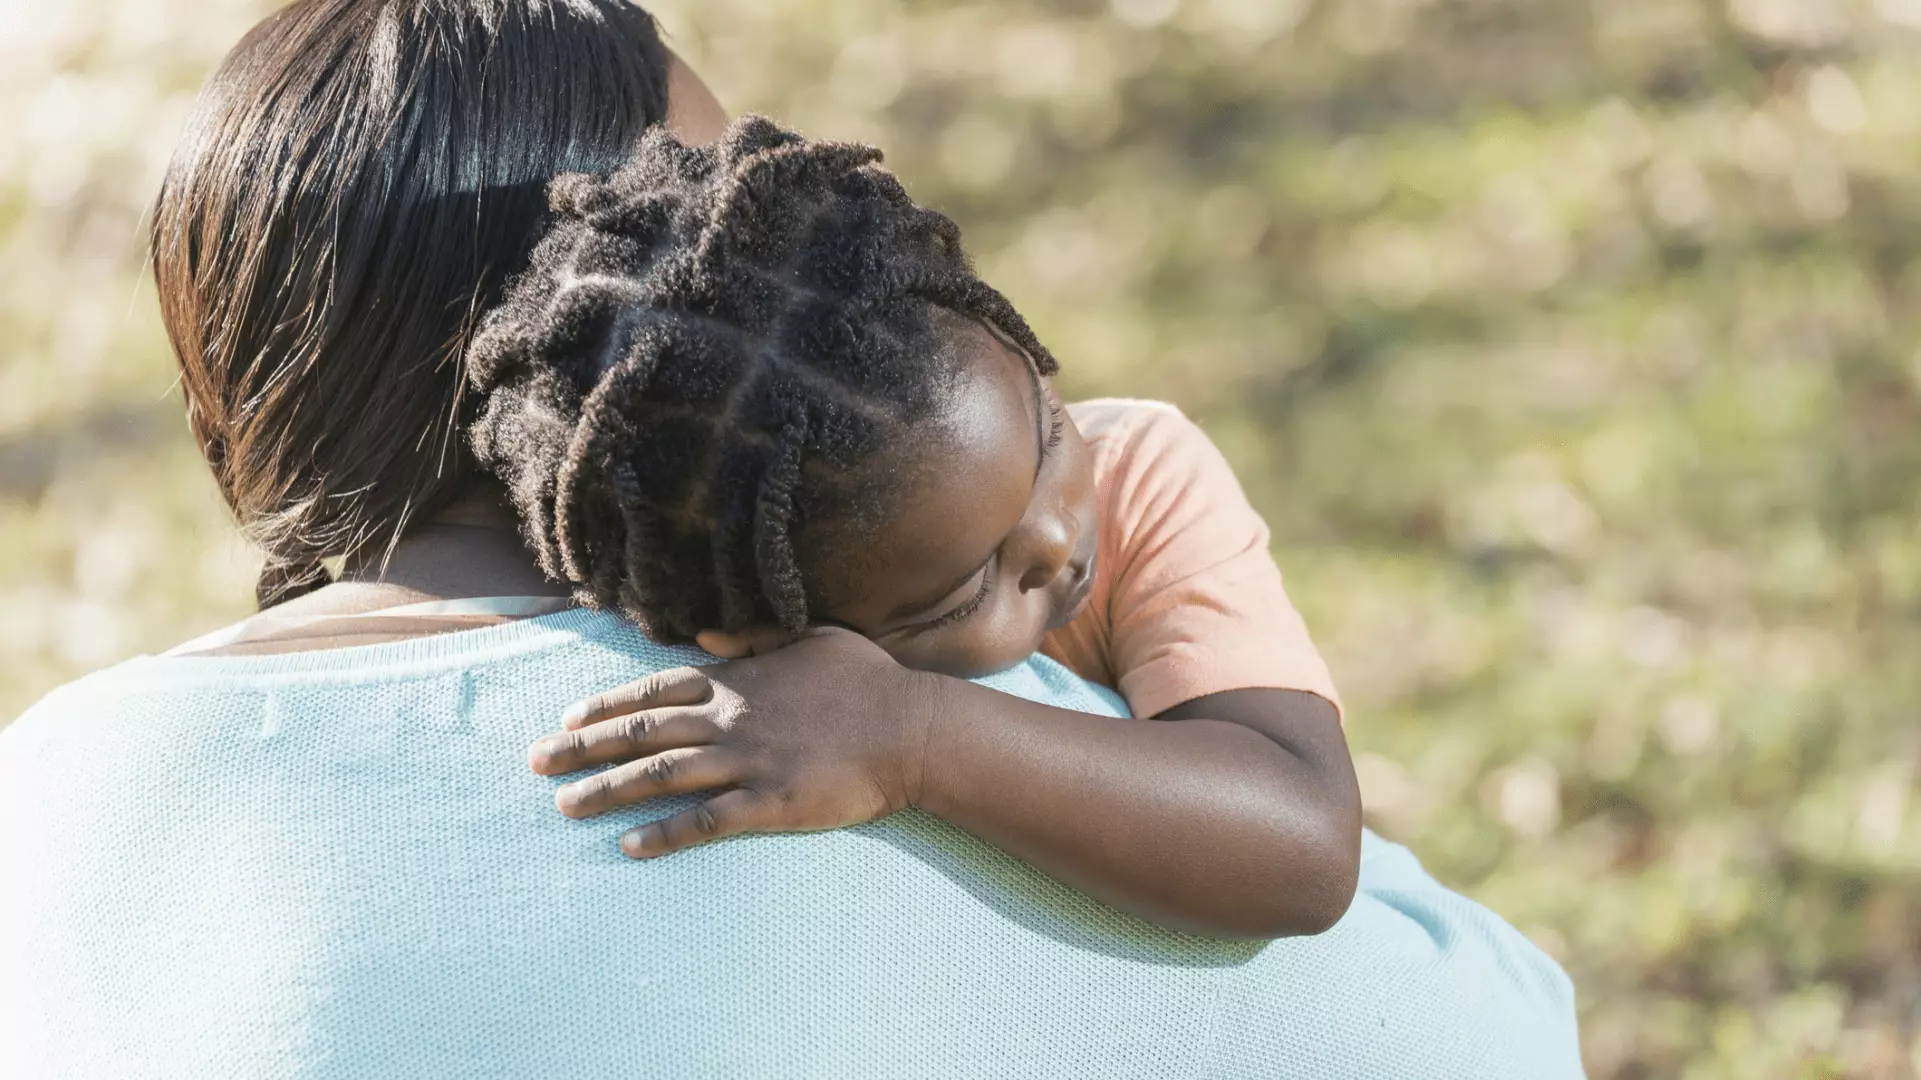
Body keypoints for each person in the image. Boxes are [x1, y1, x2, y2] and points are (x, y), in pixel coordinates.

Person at [0, 2, 1586, 1077]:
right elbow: (1496, 1040)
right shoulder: (883, 734)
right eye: (712, 199)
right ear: (609, 345)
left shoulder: (61, 807)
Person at [468, 115, 1360, 939]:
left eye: (1047, 430)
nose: (1053, 540)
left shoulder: (1144, 471)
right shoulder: (741, 589)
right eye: (968, 586)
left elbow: (1304, 848)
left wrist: (912, 735)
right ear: (756, 637)